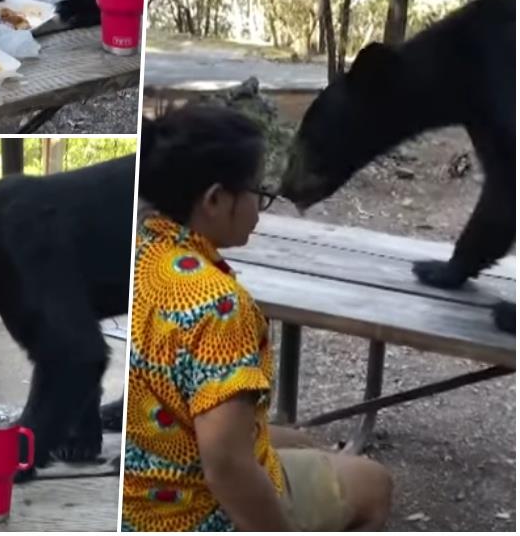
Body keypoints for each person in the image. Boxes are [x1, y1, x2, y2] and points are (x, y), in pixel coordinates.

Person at [122, 105, 393, 532]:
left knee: (300, 439)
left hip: (139, 495)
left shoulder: (135, 254)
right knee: (374, 482)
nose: (260, 205)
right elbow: (227, 468)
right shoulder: (218, 306)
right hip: (192, 515)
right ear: (214, 200)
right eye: (257, 191)